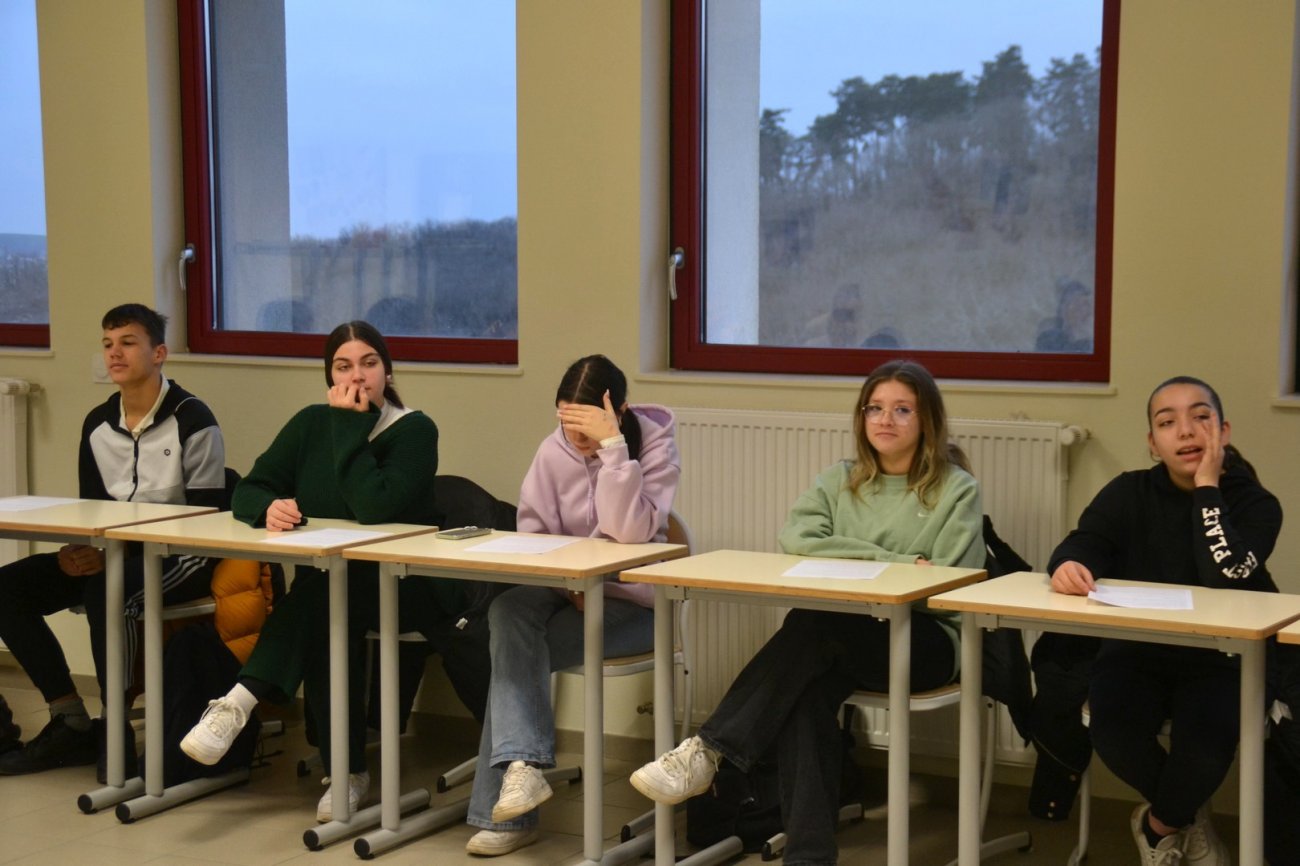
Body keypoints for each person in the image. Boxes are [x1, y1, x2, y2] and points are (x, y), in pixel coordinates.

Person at [631, 359, 983, 866]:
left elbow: (943, 576)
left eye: (902, 410)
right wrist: (898, 560)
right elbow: (796, 539)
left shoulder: (956, 489)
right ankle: (809, 857)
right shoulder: (841, 479)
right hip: (842, 637)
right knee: (805, 691)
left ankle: (709, 749)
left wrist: (856, 554)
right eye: (875, 409)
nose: (886, 420)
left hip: (925, 640)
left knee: (812, 624)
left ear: (927, 420)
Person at [178, 320, 461, 822]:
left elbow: (373, 506)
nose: (357, 377)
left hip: (406, 583)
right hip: (334, 585)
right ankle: (345, 772)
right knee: (331, 607)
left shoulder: (416, 429)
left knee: (330, 597)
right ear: (328, 376)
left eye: (369, 364)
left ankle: (240, 703)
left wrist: (350, 427)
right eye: (343, 366)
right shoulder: (311, 422)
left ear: (387, 370)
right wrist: (268, 507)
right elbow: (248, 488)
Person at [1048, 375, 1281, 866]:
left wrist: (1207, 489)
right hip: (1137, 648)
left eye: (1201, 417)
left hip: (1222, 655)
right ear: (1153, 444)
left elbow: (1227, 575)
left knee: (1205, 745)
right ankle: (1185, 819)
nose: (1186, 431)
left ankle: (1157, 827)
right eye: (1167, 422)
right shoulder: (1128, 492)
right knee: (1113, 731)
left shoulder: (1256, 504)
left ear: (1224, 431)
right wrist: (1069, 565)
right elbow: (1083, 542)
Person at [464, 354, 680, 857]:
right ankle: (523, 772)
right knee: (507, 614)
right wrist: (568, 584)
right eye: (566, 425)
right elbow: (533, 532)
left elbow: (630, 531)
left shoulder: (654, 447)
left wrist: (612, 451)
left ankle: (511, 812)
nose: (573, 440)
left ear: (618, 412)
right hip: (568, 594)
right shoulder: (551, 449)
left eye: (586, 429)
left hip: (635, 606)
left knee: (514, 654)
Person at [0, 304, 226, 778]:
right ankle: (70, 718)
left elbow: (209, 520)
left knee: (109, 589)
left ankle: (116, 726)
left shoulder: (193, 418)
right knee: (7, 587)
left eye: (127, 342)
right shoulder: (97, 424)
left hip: (183, 555)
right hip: (112, 555)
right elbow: (92, 512)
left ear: (159, 352)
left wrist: (114, 555)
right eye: (107, 344)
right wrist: (76, 554)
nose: (114, 353)